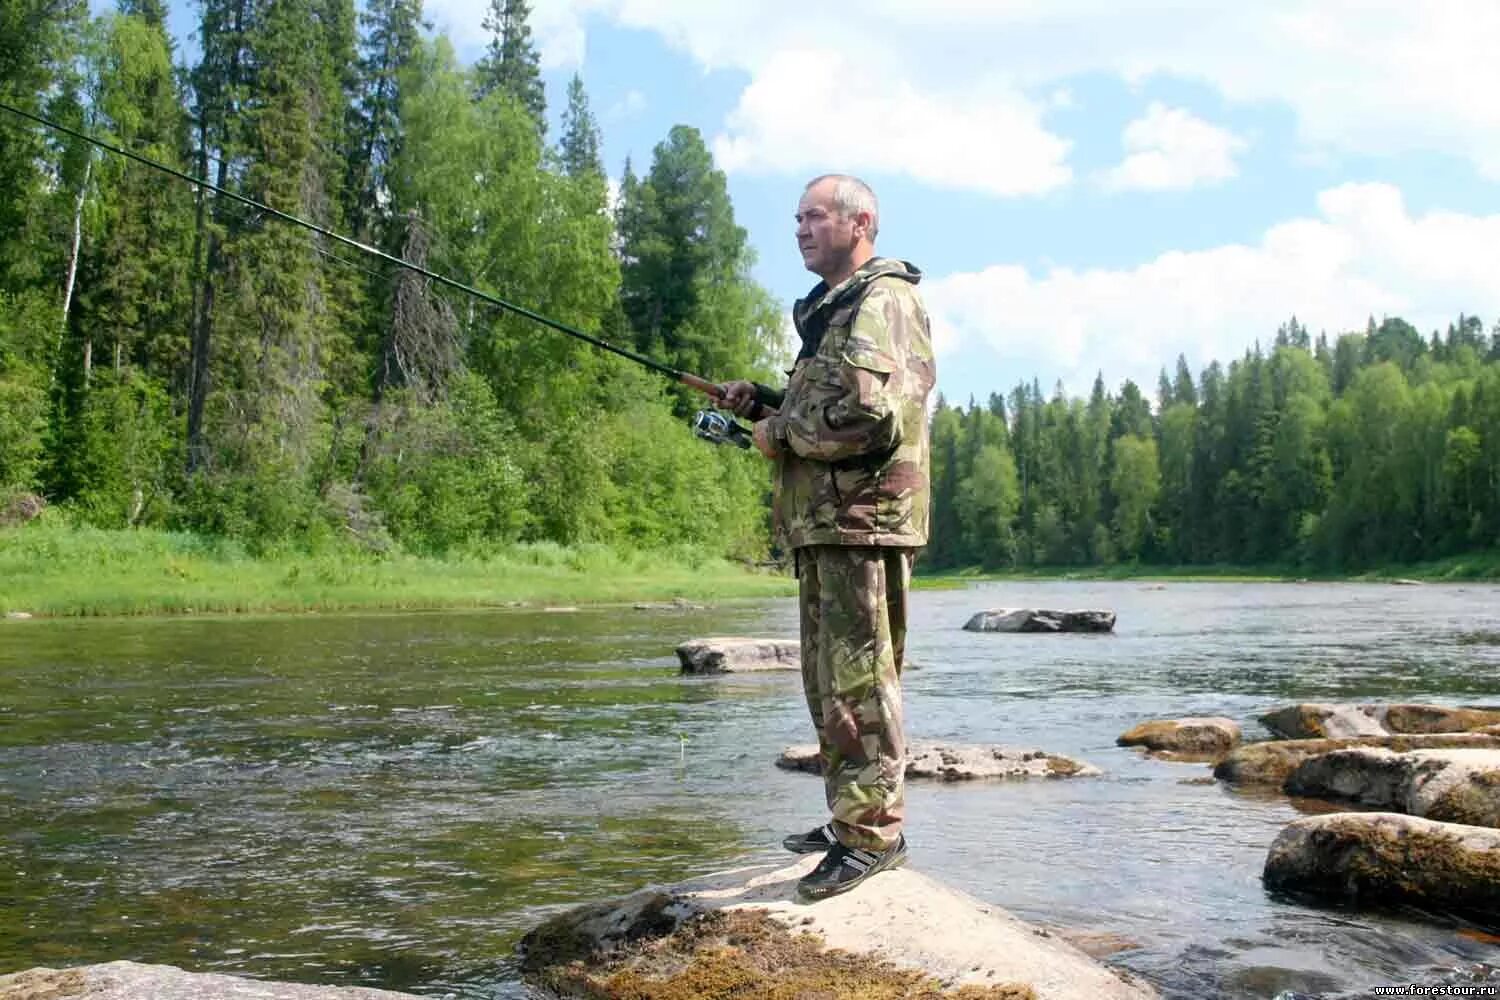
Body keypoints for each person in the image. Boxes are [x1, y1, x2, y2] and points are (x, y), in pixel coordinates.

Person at [719, 174, 935, 901]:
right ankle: (853, 820)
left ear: (860, 222)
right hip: (830, 524)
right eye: (797, 218)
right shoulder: (838, 308)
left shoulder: (883, 300)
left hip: (863, 524)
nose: (801, 229)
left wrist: (777, 432)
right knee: (828, 680)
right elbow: (840, 401)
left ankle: (873, 835)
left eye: (815, 217)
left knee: (859, 681)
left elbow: (874, 420)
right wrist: (770, 400)